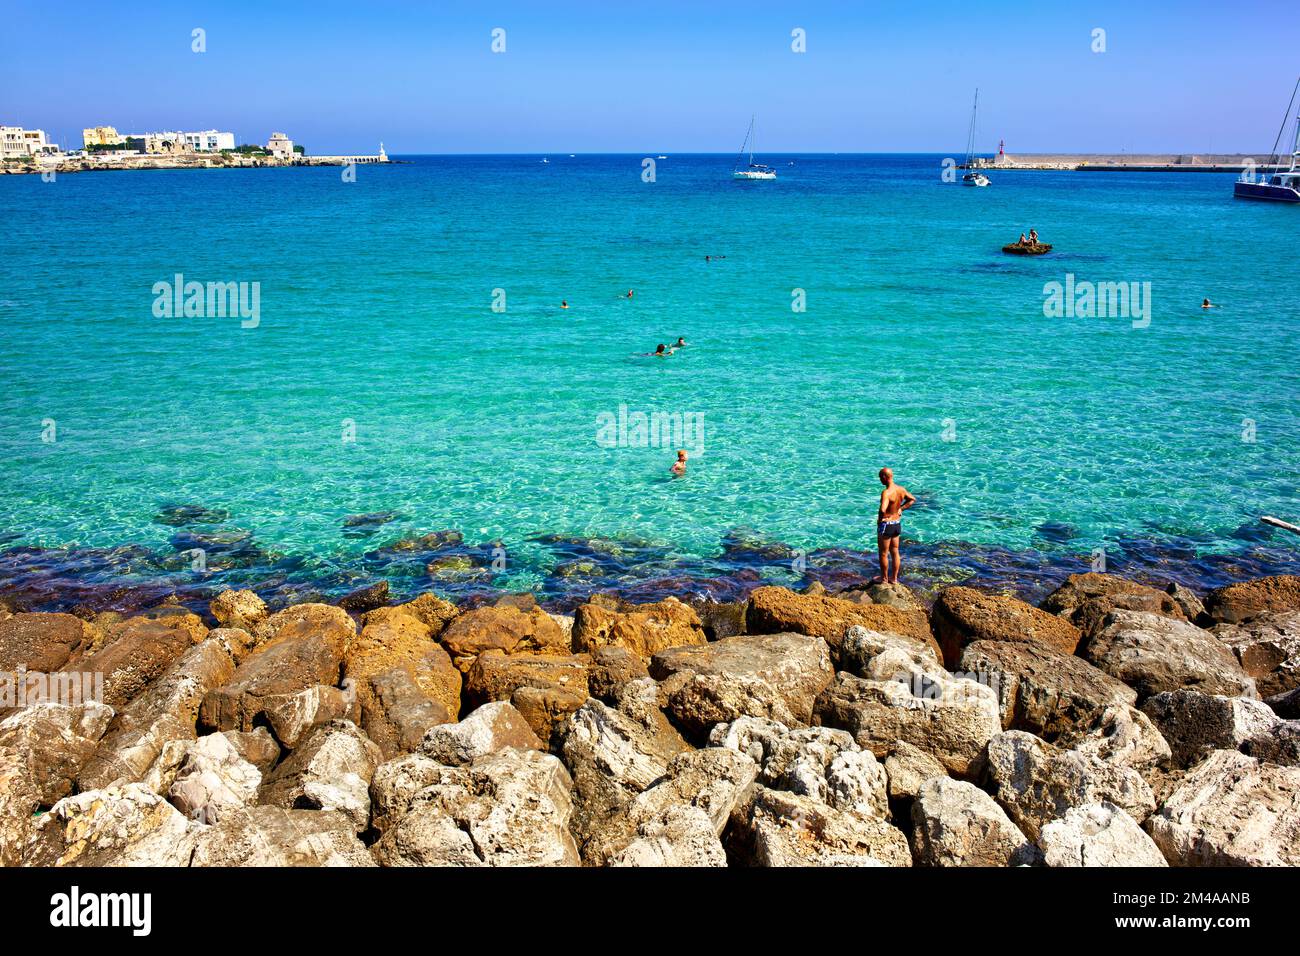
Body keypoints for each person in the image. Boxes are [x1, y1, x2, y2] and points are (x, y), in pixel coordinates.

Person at [874, 467, 916, 585]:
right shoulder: (901, 490)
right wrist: (900, 509)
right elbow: (912, 499)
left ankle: (884, 579)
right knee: (895, 551)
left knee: (883, 553)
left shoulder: (886, 493)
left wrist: (880, 519)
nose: (880, 480)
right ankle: (894, 579)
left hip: (887, 525)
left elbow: (883, 509)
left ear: (884, 477)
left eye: (880, 477)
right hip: (896, 524)